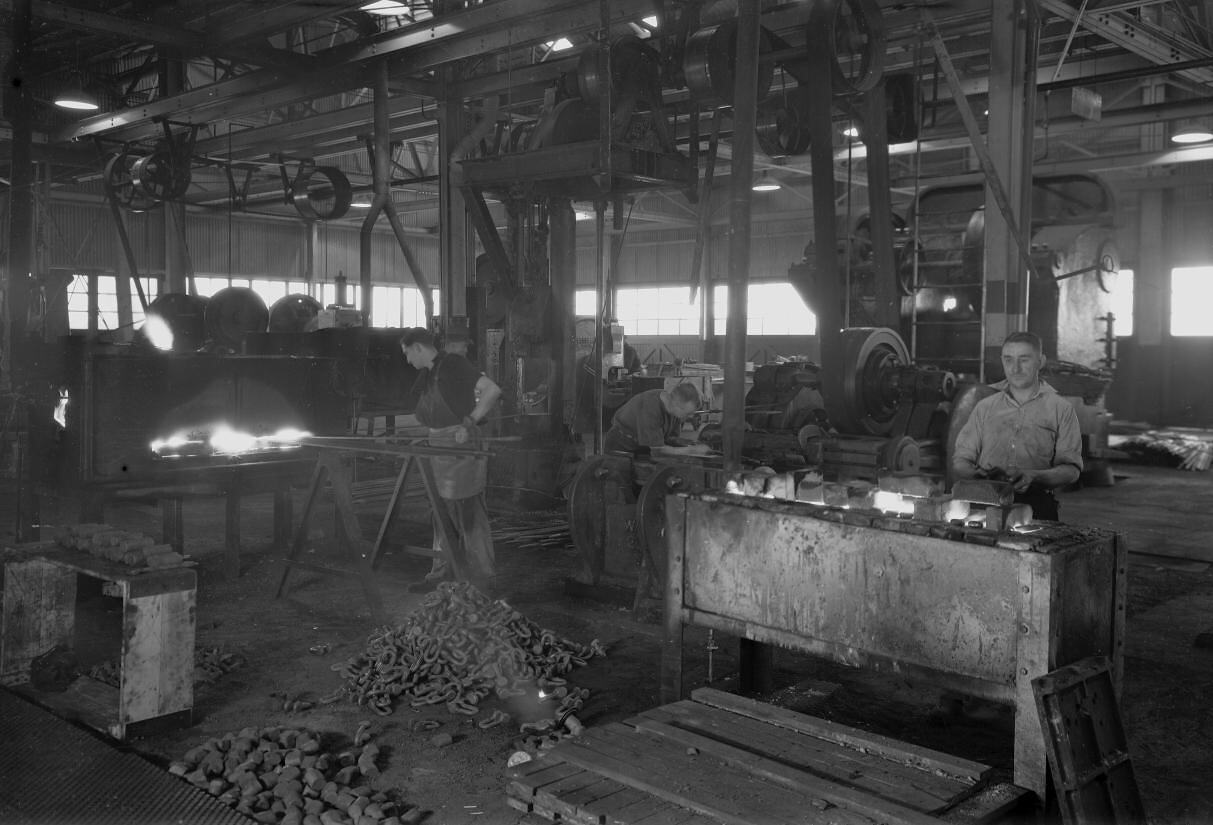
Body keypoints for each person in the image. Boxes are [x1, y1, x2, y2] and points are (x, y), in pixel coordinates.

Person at [400, 327, 502, 590]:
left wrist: (469, 422)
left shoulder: (454, 364)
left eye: (408, 354)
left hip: (461, 445)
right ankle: (443, 570)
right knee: (440, 509)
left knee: (469, 510)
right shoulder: (428, 373)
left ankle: (482, 577)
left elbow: (492, 390)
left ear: (418, 348)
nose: (408, 361)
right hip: (439, 447)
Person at [952, 331, 1083, 521]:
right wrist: (975, 473)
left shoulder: (1061, 409)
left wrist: (1033, 476)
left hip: (1036, 508)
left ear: (1041, 361)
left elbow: (1072, 471)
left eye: (1024, 359)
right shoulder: (985, 407)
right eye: (1008, 360)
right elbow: (960, 461)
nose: (1015, 368)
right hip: (984, 506)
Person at [603, 382, 702, 455]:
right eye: (688, 413)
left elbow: (670, 439)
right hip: (621, 447)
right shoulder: (651, 409)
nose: (690, 417)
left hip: (641, 447)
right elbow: (657, 451)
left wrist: (689, 444)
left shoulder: (673, 409)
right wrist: (691, 451)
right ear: (676, 404)